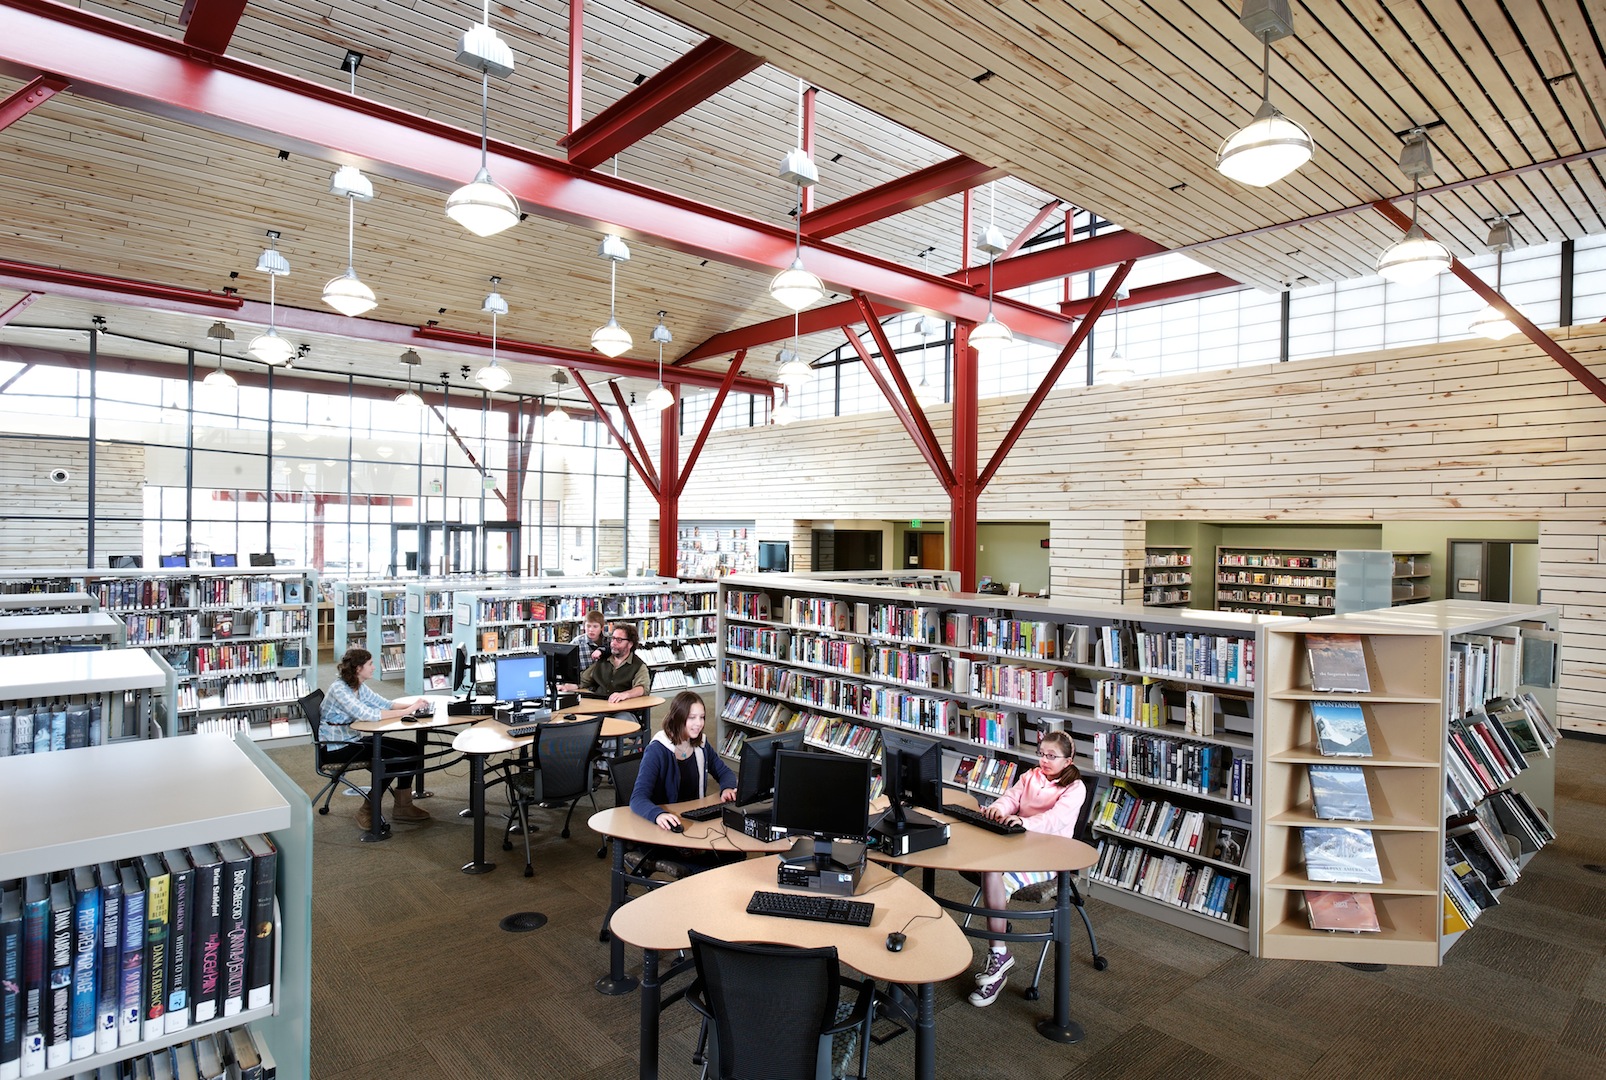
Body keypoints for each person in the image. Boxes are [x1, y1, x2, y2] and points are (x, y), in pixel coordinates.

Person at [968, 729, 1085, 1007]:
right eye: (1042, 754)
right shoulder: (1030, 776)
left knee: (994, 875)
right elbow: (1011, 798)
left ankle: (997, 956)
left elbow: (1054, 820)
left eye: (1052, 756)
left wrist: (1024, 823)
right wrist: (999, 809)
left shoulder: (1074, 788)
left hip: (1050, 856)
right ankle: (1000, 953)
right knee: (987, 866)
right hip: (1019, 846)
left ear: (1068, 761)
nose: (1045, 760)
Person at [626, 691, 738, 877]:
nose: (699, 723)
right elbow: (637, 798)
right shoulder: (658, 750)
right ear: (678, 717)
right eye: (692, 717)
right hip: (665, 829)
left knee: (735, 855)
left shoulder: (700, 743)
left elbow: (724, 772)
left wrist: (727, 787)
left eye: (702, 717)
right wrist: (658, 814)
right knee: (708, 868)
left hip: (692, 824)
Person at [320, 647, 433, 830]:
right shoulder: (339, 689)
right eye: (370, 664)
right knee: (390, 759)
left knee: (411, 749)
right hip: (336, 747)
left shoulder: (357, 686)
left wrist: (415, 705)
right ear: (358, 668)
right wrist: (407, 711)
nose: (374, 667)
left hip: (352, 739)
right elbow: (366, 714)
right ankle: (367, 810)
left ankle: (404, 806)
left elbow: (384, 704)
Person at [571, 621, 650, 704]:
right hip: (599, 705)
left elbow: (642, 688)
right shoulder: (603, 660)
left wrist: (625, 694)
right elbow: (584, 679)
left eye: (619, 640)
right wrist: (570, 686)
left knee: (625, 717)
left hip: (623, 708)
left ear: (630, 644)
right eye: (613, 638)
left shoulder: (638, 665)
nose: (613, 643)